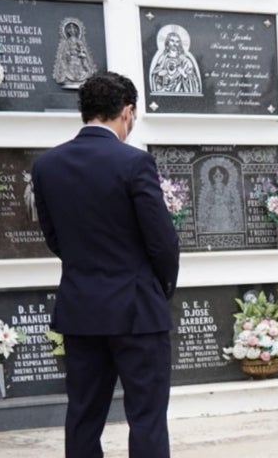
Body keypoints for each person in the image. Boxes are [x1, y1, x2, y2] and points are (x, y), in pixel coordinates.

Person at [32, 71, 180, 458]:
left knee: (83, 414)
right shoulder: (134, 163)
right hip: (137, 310)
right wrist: (161, 288)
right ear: (127, 112)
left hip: (81, 309)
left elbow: (54, 238)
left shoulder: (47, 165)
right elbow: (162, 241)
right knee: (147, 417)